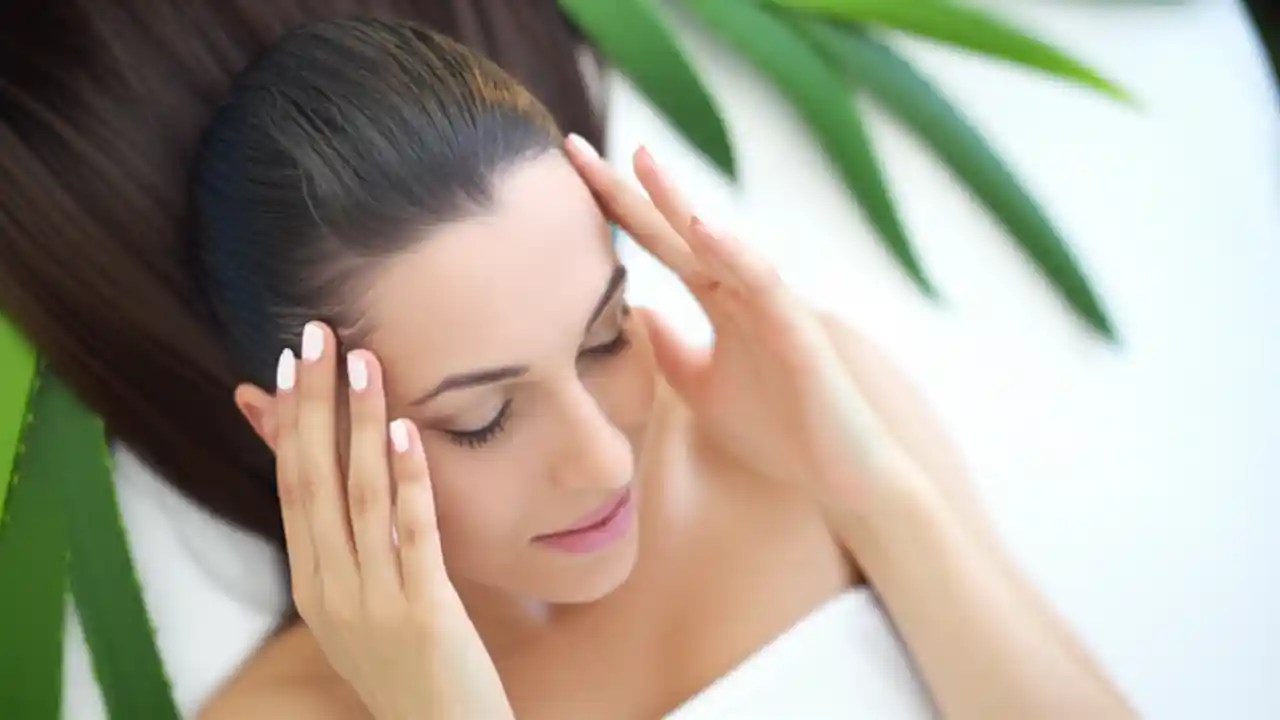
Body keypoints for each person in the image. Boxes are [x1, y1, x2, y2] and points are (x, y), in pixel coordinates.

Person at [0, 6, 1134, 719]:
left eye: (604, 336)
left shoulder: (808, 420)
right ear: (296, 428)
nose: (602, 460)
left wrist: (878, 498)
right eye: (482, 418)